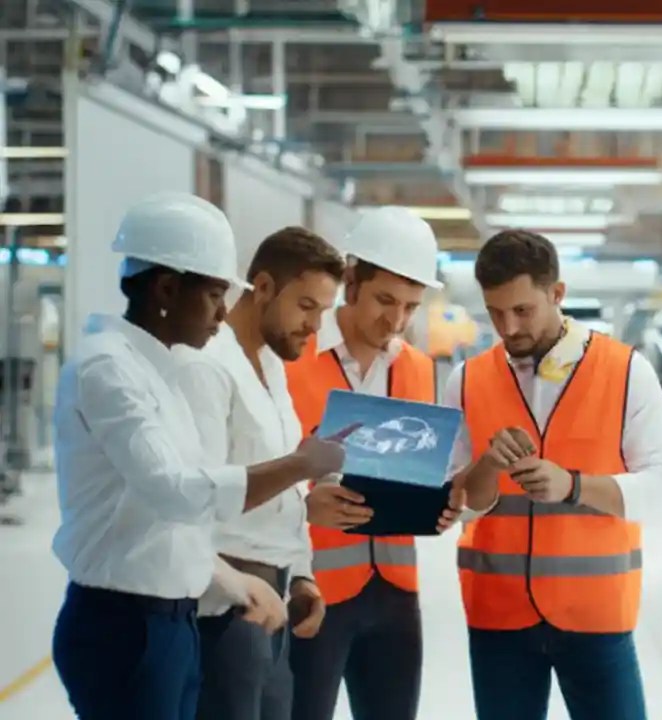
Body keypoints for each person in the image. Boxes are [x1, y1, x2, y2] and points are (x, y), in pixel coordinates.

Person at [50, 192, 351, 720]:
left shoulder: (158, 370)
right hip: (124, 623)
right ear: (167, 288)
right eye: (215, 294)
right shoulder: (110, 371)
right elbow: (179, 493)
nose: (222, 311)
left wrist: (258, 578)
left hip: (177, 615)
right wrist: (302, 466)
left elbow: (180, 511)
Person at [448, 229, 662, 720]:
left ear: (557, 294)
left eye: (522, 311)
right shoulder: (466, 380)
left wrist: (574, 486)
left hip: (596, 616)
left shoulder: (626, 372)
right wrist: (488, 465)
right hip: (497, 615)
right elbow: (456, 506)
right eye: (494, 312)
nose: (508, 327)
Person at [285, 206, 463, 720]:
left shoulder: (418, 368)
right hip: (313, 588)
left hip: (394, 593)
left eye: (411, 305)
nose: (398, 320)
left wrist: (444, 499)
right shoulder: (293, 358)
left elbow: (424, 469)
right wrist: (303, 501)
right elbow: (257, 470)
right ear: (350, 279)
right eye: (386, 299)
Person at [169, 226, 350, 720]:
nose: (313, 325)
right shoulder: (206, 366)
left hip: (274, 597)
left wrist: (302, 577)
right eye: (306, 306)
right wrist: (301, 464)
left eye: (323, 312)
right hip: (225, 606)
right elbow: (200, 495)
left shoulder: (271, 364)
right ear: (264, 287)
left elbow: (286, 489)